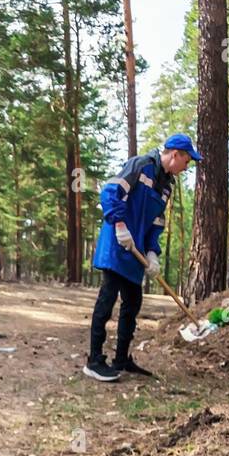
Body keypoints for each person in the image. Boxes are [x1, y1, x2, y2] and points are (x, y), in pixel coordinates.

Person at [83, 133, 201, 382]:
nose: (186, 166)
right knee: (107, 298)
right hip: (118, 244)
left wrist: (152, 253)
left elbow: (155, 223)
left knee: (133, 302)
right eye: (187, 161)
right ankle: (94, 361)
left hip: (135, 252)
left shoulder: (167, 185)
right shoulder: (141, 165)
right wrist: (119, 225)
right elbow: (110, 193)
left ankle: (122, 359)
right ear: (175, 154)